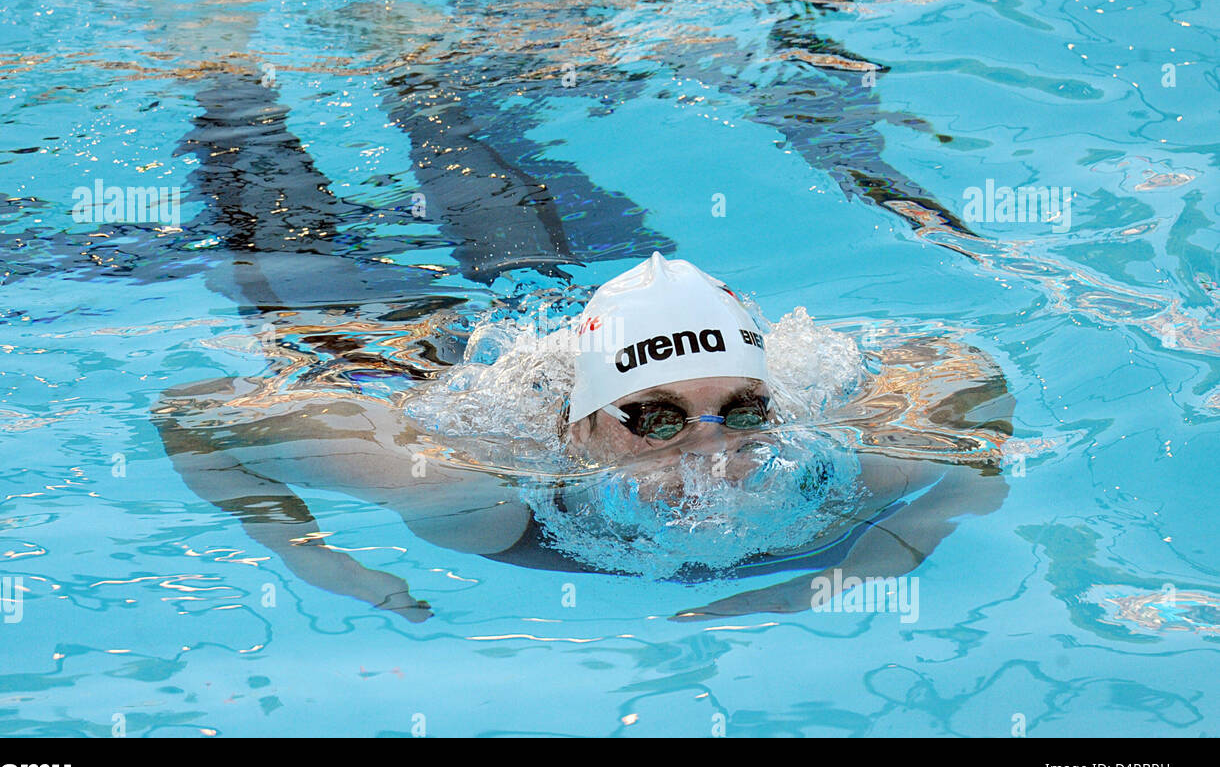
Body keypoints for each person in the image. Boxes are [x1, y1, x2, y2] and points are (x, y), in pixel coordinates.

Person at [157, 252, 1014, 622]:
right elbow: (193, 411)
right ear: (581, 433)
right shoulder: (467, 489)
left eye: (747, 409)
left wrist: (855, 570)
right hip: (370, 338)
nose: (710, 451)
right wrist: (308, 552)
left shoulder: (856, 473)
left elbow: (963, 374)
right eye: (655, 418)